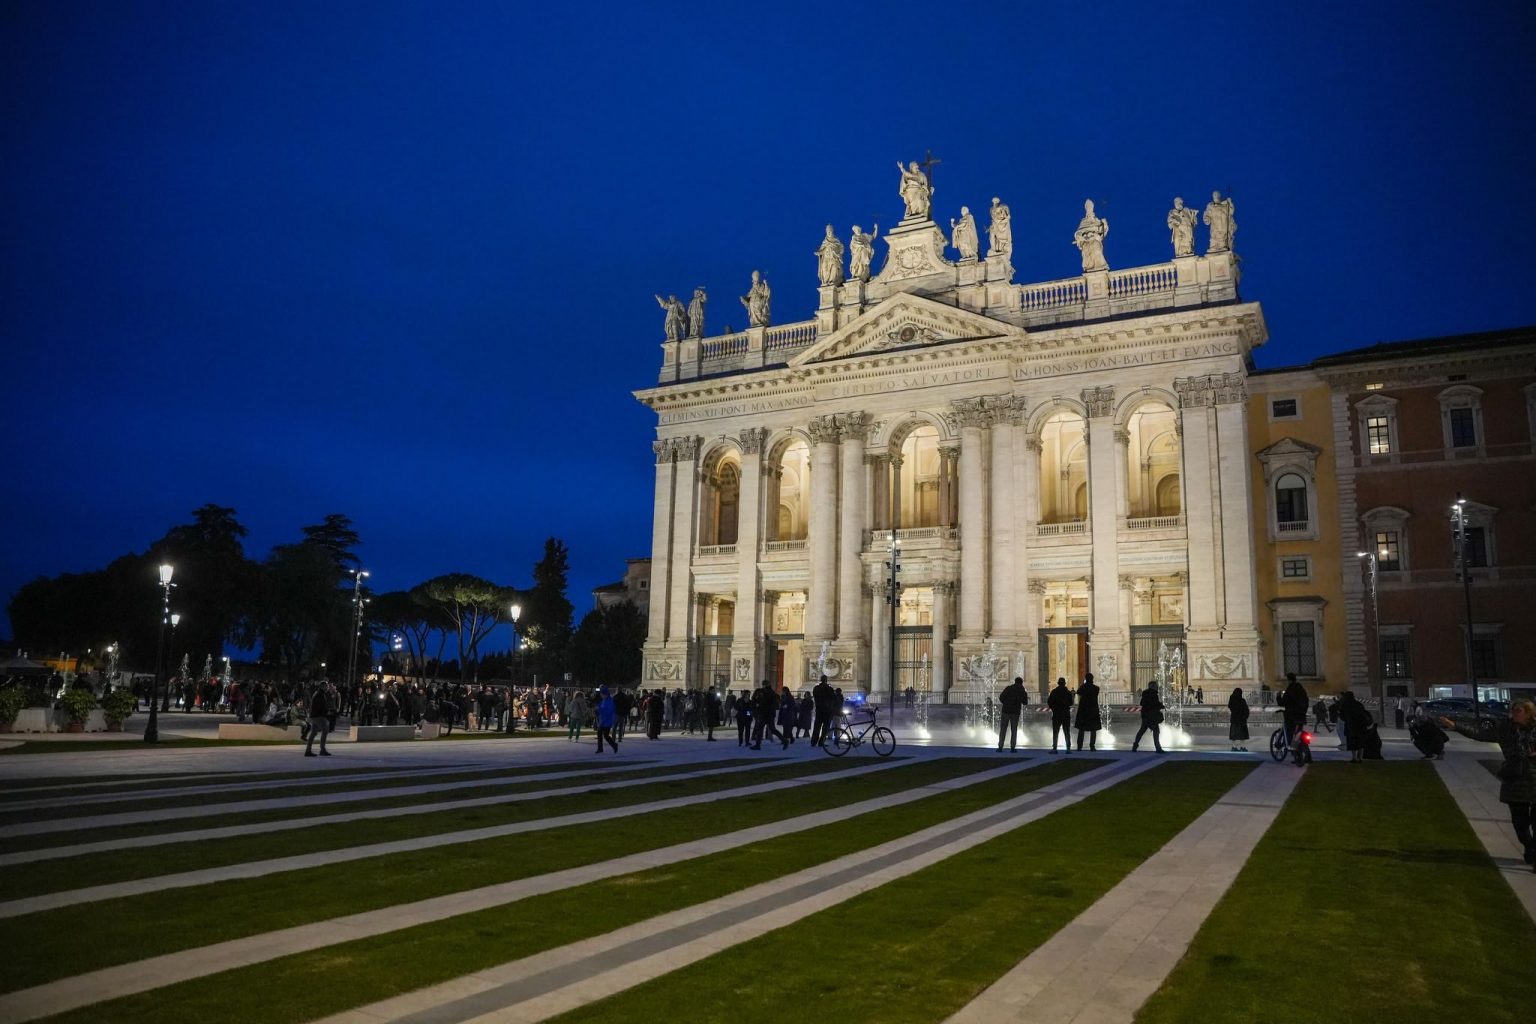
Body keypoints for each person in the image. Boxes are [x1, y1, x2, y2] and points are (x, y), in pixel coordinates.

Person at [1442, 700, 1536, 871]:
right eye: (1513, 710)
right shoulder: (1506, 728)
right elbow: (1480, 734)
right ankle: (1529, 846)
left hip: (1534, 775)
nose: (1514, 713)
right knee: (1519, 822)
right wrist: (1456, 726)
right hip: (1515, 778)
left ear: (1529, 712)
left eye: (1518, 710)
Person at [1279, 672, 1312, 765]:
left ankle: (1297, 757)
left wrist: (1278, 696)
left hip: (1291, 716)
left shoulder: (1290, 689)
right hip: (1301, 715)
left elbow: (1283, 702)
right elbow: (1306, 700)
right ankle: (1308, 756)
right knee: (1299, 734)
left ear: (1288, 680)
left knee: (1291, 737)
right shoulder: (1301, 689)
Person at [1132, 681, 1166, 753]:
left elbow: (1142, 703)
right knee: (1156, 731)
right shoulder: (1153, 694)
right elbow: (1154, 704)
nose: (1157, 687)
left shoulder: (1145, 693)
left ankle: (1135, 746)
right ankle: (1158, 748)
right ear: (1152, 686)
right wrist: (1161, 705)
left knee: (1141, 731)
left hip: (1145, 715)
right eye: (1156, 686)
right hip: (1152, 716)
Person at [997, 676, 1026, 752]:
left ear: (1015, 681)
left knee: (1003, 729)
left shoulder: (1009, 688)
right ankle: (1012, 747)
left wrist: (1006, 704)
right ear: (1021, 683)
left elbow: (1001, 697)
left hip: (1005, 711)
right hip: (1015, 712)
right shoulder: (1021, 690)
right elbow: (1025, 702)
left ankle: (1000, 747)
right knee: (1014, 730)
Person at [1075, 672, 1102, 751]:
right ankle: (1092, 746)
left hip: (1084, 710)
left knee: (1081, 729)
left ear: (1086, 679)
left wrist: (1083, 684)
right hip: (1093, 710)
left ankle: (1079, 746)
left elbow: (1078, 692)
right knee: (1093, 729)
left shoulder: (1083, 687)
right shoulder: (1096, 688)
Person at [1047, 677, 1074, 753]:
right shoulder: (1068, 692)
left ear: (1058, 683)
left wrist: (1053, 708)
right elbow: (1071, 703)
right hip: (1065, 714)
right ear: (1064, 684)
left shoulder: (1054, 692)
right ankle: (1068, 748)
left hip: (1057, 714)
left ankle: (1055, 748)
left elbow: (1049, 702)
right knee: (1067, 732)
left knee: (1056, 732)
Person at [303, 684, 331, 757]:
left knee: (313, 733)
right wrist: (327, 712)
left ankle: (308, 751)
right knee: (325, 730)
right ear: (323, 687)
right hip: (317, 716)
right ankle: (322, 749)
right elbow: (321, 706)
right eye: (327, 686)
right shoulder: (320, 694)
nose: (328, 688)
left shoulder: (318, 693)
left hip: (314, 715)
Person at [811, 674, 836, 747]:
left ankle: (813, 741)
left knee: (817, 727)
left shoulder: (816, 688)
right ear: (826, 680)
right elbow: (833, 699)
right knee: (825, 728)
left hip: (819, 710)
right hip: (827, 711)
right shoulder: (829, 689)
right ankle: (821, 741)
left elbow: (815, 697)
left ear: (821, 680)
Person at [593, 686, 619, 753]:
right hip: (601, 720)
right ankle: (600, 748)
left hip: (607, 721)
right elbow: (599, 708)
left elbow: (608, 712)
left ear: (606, 694)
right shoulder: (603, 701)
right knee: (599, 735)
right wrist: (596, 710)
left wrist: (599, 709)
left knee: (606, 736)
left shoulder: (610, 701)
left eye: (602, 694)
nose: (601, 695)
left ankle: (614, 745)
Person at [1228, 686, 1251, 752]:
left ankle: (1233, 747)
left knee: (1234, 735)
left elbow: (1230, 706)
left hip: (1234, 720)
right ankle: (1242, 747)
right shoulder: (1242, 701)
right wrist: (1245, 716)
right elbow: (1246, 710)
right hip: (1242, 720)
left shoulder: (1232, 700)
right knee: (1242, 735)